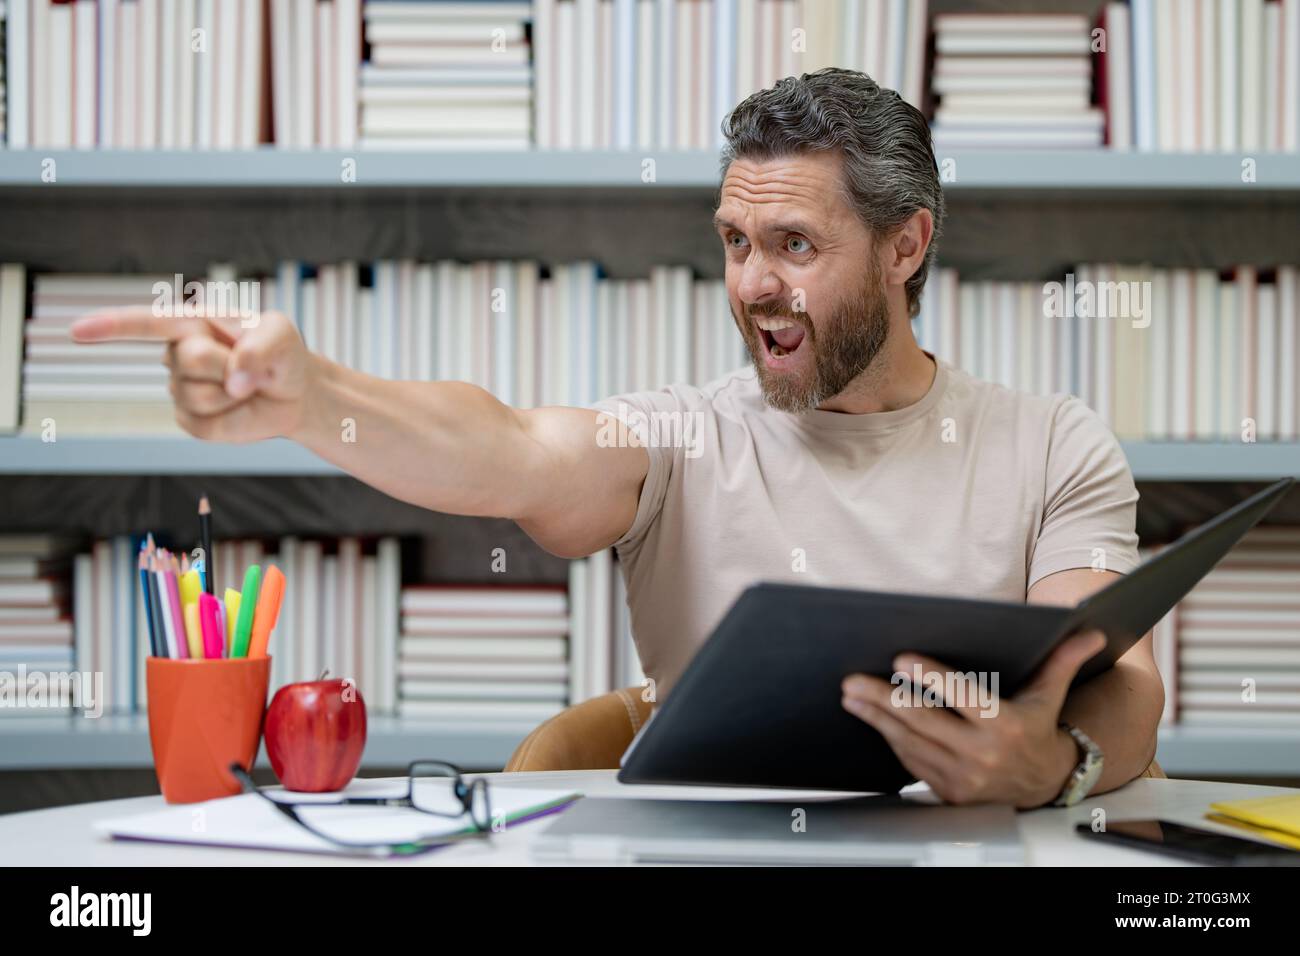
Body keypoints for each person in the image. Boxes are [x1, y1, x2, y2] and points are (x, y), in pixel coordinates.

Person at [71, 68, 1163, 809]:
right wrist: (311, 397)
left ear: (905, 245)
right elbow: (502, 445)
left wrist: (1051, 762)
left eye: (792, 242)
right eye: (734, 241)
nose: (752, 285)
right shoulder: (679, 440)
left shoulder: (1050, 444)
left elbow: (1110, 679)